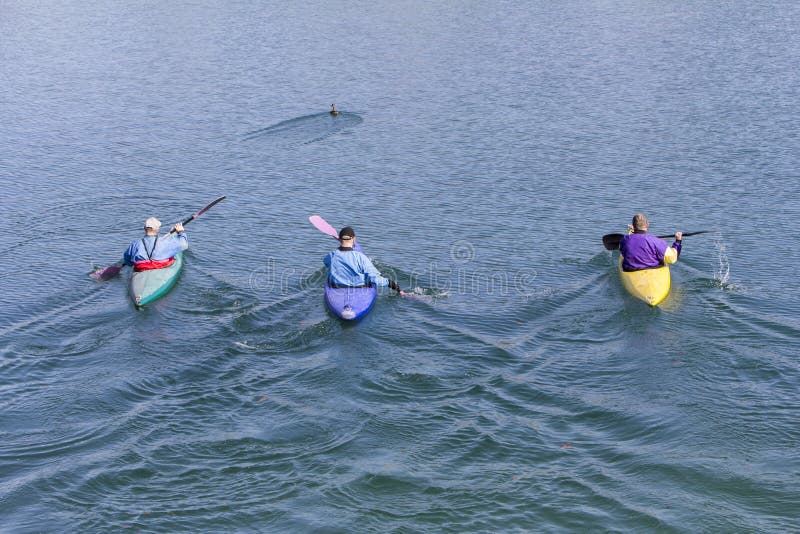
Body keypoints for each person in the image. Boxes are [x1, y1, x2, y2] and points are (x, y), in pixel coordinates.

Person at [324, 226, 401, 292]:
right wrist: (391, 284)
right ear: (354, 239)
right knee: (374, 274)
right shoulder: (361, 257)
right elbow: (374, 279)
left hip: (336, 287)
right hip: (359, 287)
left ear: (340, 240)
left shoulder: (331, 255)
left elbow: (326, 262)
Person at [123, 217, 188, 271]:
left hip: (141, 267)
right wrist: (181, 232)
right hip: (161, 265)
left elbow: (128, 261)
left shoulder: (135, 244)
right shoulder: (165, 242)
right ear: (157, 230)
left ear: (144, 228)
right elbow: (184, 245)